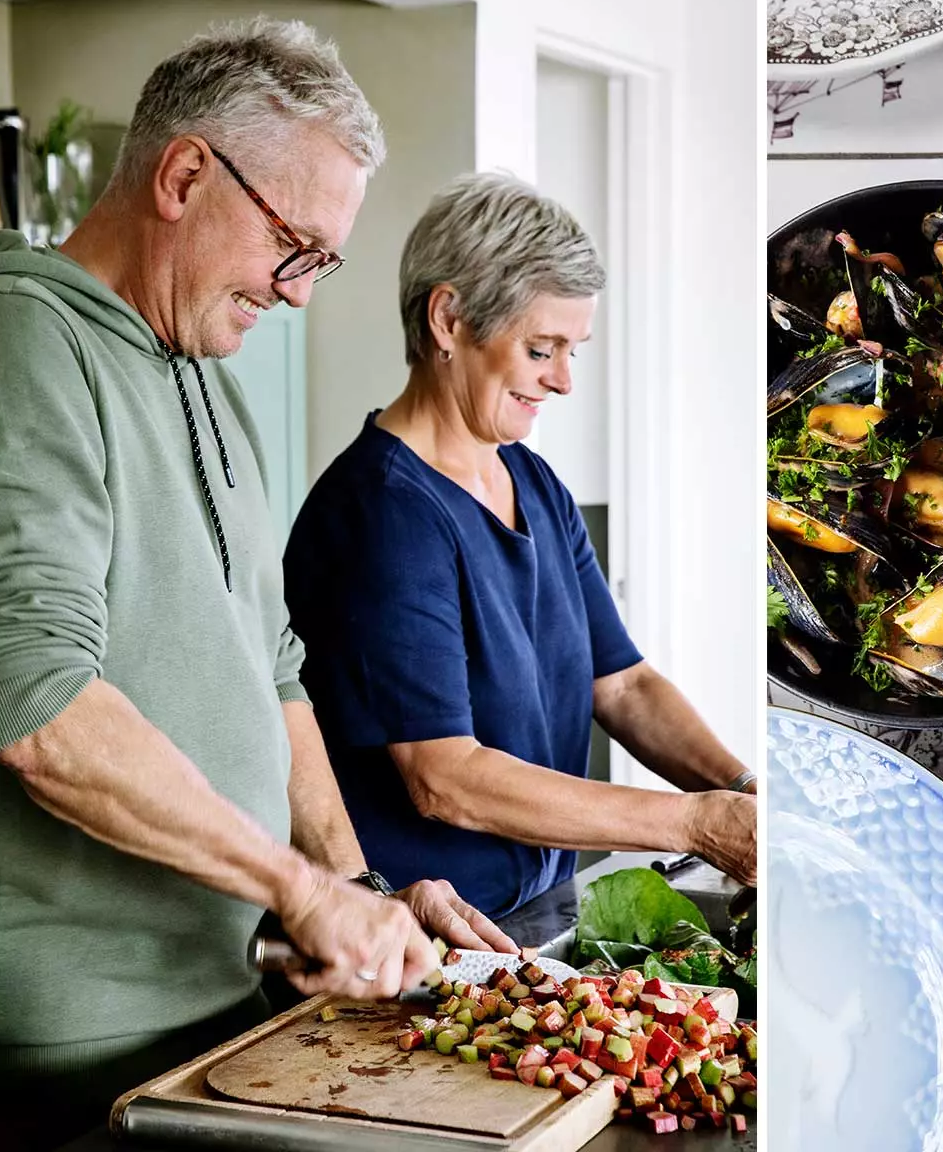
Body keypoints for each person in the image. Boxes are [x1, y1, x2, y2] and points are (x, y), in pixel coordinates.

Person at [0, 19, 512, 1152]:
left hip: (215, 1007)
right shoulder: (8, 346)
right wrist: (299, 891)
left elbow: (273, 671)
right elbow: (42, 713)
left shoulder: (205, 380)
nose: (302, 294)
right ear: (182, 175)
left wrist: (353, 882)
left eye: (324, 261)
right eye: (296, 248)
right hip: (60, 1047)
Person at [282, 173, 756, 919]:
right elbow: (446, 777)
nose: (564, 381)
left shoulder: (529, 478)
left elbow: (622, 684)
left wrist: (739, 790)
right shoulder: (382, 514)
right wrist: (695, 823)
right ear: (448, 319)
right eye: (542, 348)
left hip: (534, 911)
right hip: (424, 937)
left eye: (575, 350)